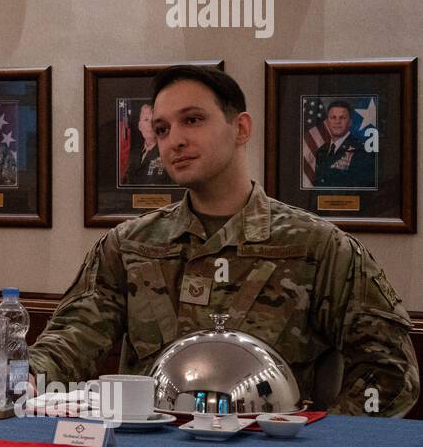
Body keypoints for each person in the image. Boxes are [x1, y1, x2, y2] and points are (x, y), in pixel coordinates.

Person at [29, 66, 418, 417]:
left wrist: (323, 442)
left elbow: (388, 371)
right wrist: (28, 377)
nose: (174, 141)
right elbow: (72, 339)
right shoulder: (129, 245)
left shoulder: (317, 246)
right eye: (162, 129)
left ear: (241, 128)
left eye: (193, 120)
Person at [312, 101, 375, 188]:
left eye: (342, 117)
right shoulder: (321, 151)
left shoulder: (361, 151)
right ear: (327, 122)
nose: (337, 121)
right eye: (333, 117)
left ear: (350, 123)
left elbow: (359, 187)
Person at [122, 102, 171, 186]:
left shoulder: (169, 153)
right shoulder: (134, 153)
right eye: (146, 120)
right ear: (140, 126)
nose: (150, 124)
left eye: (154, 120)